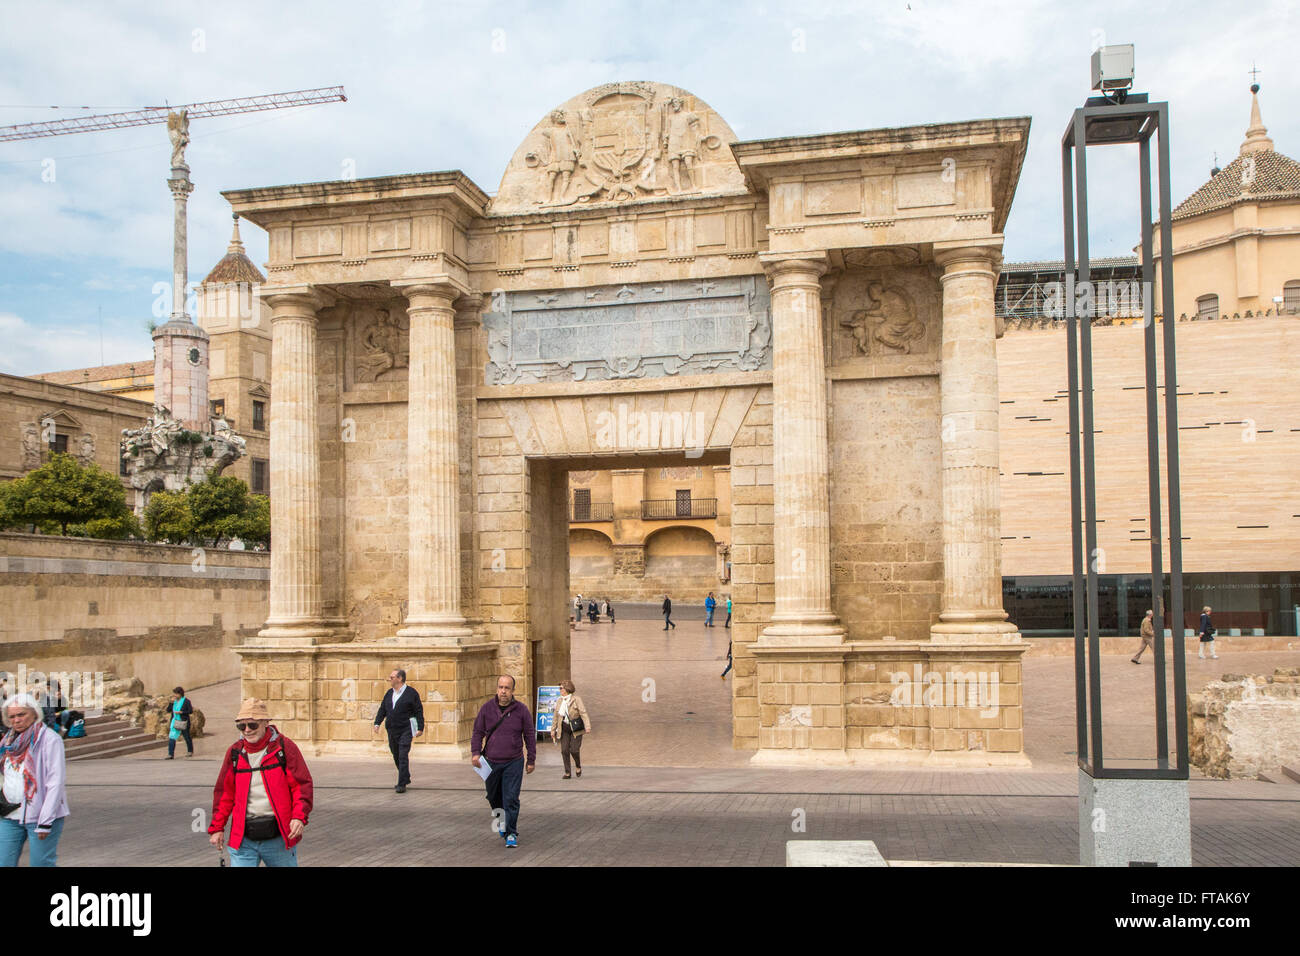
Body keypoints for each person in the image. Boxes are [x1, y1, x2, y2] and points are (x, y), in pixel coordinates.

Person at [208, 698, 313, 868]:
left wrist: (299, 817)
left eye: (253, 725)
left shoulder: (284, 748)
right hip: (244, 838)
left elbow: (301, 786)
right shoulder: (235, 753)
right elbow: (225, 793)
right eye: (242, 726)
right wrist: (217, 828)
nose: (247, 731)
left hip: (278, 838)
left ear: (265, 722)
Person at [0, 693, 69, 867]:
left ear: (34, 713)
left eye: (21, 715)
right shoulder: (6, 743)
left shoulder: (49, 740)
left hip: (40, 816)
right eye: (12, 716)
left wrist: (45, 821)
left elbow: (55, 782)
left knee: (41, 863)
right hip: (9, 815)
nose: (16, 720)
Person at [470, 676, 535, 849]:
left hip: (514, 761)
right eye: (501, 687)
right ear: (497, 689)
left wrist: (531, 759)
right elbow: (477, 732)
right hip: (491, 762)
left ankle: (511, 833)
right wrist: (475, 753)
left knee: (511, 798)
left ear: (513, 690)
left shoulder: (521, 710)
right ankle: (501, 821)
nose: (503, 691)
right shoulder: (487, 709)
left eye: (507, 688)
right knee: (493, 796)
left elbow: (529, 735)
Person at [373, 668, 424, 793]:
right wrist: (377, 723)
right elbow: (382, 709)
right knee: (395, 754)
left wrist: (420, 728)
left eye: (392, 677)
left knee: (402, 755)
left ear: (400, 678)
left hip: (406, 728)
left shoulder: (411, 693)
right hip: (392, 729)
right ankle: (405, 776)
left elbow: (418, 711)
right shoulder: (389, 693)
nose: (390, 680)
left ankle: (401, 784)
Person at [550, 680, 592, 779]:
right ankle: (567, 772)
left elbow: (583, 713)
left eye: (561, 688)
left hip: (575, 728)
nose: (560, 690)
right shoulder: (560, 700)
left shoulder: (576, 699)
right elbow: (556, 716)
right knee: (564, 750)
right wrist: (553, 730)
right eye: (559, 688)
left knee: (574, 750)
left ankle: (578, 765)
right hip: (564, 728)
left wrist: (587, 726)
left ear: (567, 689)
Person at [165, 686, 194, 759]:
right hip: (175, 722)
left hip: (183, 722)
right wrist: (171, 703)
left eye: (176, 694)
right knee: (172, 737)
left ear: (180, 694)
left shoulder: (186, 701)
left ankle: (190, 751)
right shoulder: (174, 702)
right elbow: (168, 710)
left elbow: (190, 711)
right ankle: (170, 754)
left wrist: (182, 712)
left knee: (186, 736)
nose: (175, 695)